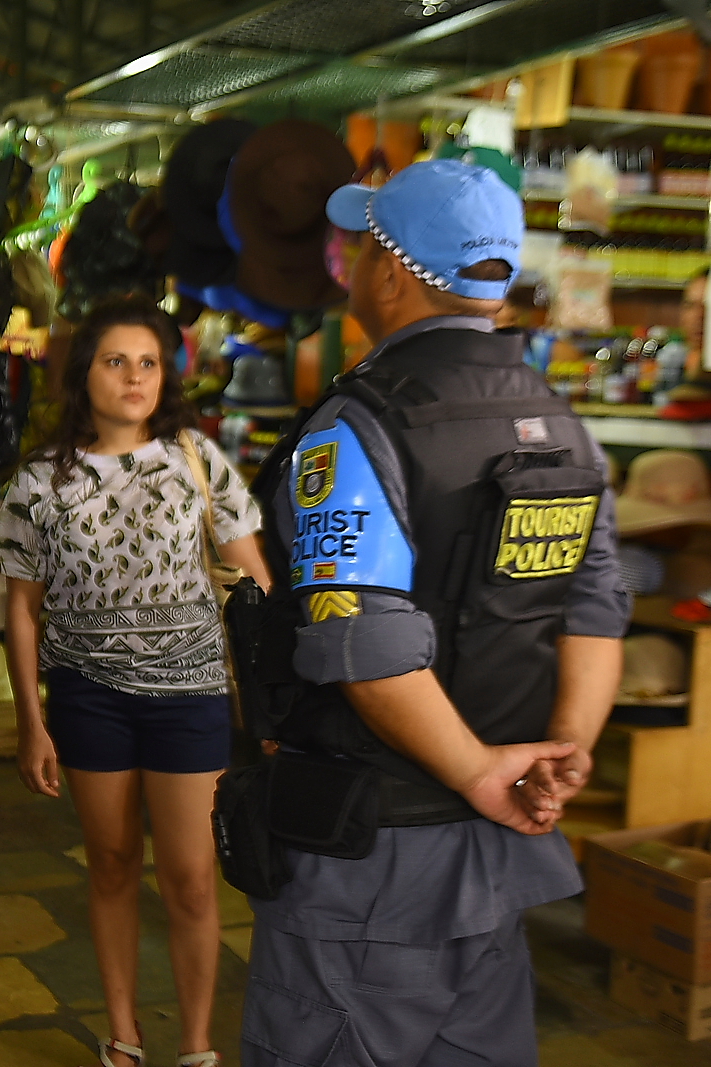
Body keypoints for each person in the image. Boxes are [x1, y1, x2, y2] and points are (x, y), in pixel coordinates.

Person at [240, 159, 628, 1066]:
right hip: (499, 853)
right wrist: (563, 750)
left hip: (372, 862)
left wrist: (482, 771)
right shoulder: (562, 420)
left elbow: (363, 642)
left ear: (393, 271)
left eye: (361, 244)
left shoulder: (358, 424)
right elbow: (596, 606)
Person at [0, 296, 267, 1067]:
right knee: (109, 863)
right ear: (86, 374)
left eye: (148, 362)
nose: (134, 376)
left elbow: (255, 579)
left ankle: (199, 1046)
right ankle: (124, 1035)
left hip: (191, 698)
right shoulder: (40, 479)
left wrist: (272, 692)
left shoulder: (196, 460)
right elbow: (21, 612)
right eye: (116, 360)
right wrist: (32, 722)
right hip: (88, 697)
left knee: (192, 878)